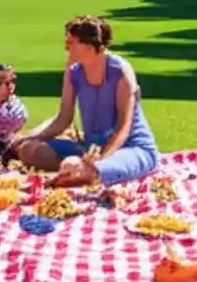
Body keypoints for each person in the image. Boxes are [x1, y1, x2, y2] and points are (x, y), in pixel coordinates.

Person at [12, 15, 160, 187]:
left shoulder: (120, 71)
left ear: (89, 46)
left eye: (71, 42)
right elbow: (63, 118)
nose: (66, 47)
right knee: (29, 149)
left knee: (94, 171)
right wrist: (29, 137)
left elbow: (122, 128)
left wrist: (99, 160)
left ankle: (79, 174)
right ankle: (73, 173)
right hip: (90, 148)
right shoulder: (74, 71)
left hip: (129, 148)